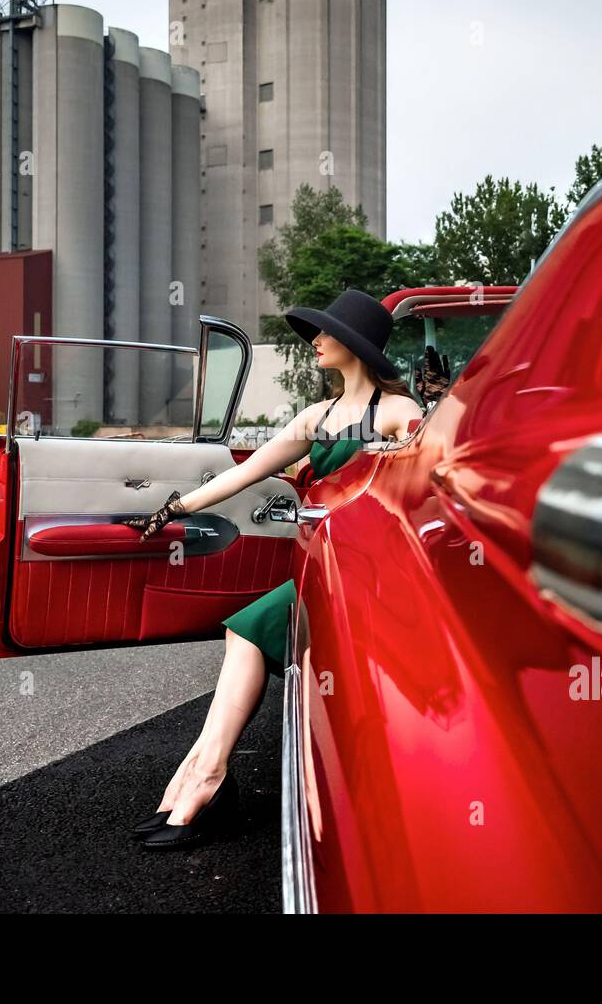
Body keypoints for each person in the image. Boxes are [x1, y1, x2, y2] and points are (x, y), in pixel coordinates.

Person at [125, 288, 423, 850]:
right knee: (244, 629)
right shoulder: (318, 416)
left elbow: (422, 489)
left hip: (376, 574)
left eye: (326, 333)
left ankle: (204, 781)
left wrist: (395, 456)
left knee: (247, 629)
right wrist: (175, 507)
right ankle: (201, 777)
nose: (315, 341)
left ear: (354, 345)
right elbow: (245, 474)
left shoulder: (400, 415)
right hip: (324, 567)